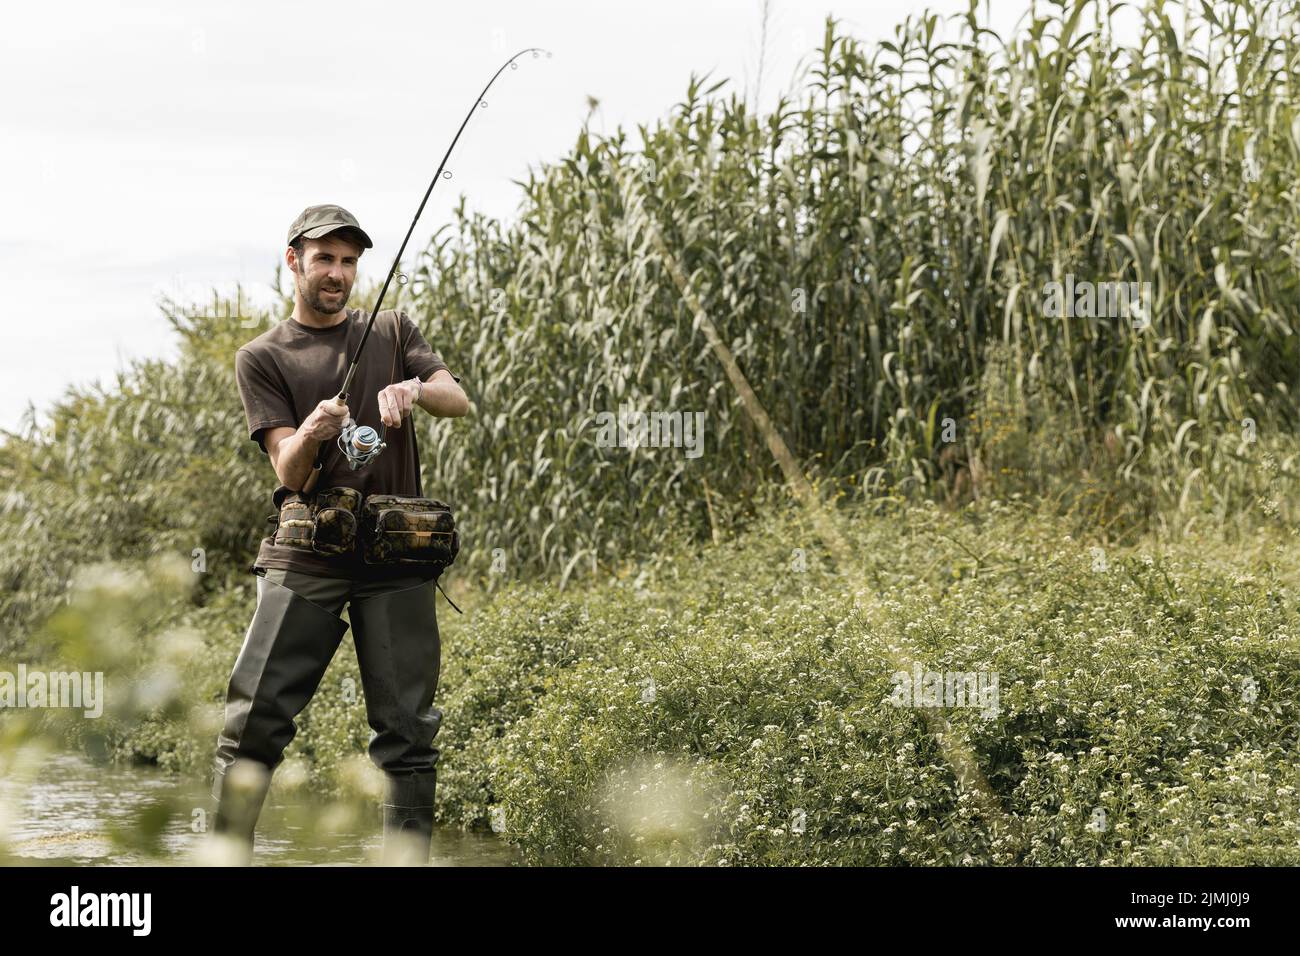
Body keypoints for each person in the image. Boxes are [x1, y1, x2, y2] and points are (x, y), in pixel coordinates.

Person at [209, 203, 469, 865]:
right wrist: (311, 432)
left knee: (409, 739)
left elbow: (456, 399)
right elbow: (288, 471)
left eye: (349, 261)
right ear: (293, 260)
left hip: (397, 561)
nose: (338, 273)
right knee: (251, 726)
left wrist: (415, 388)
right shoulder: (262, 356)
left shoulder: (392, 329)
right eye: (324, 257)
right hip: (306, 558)